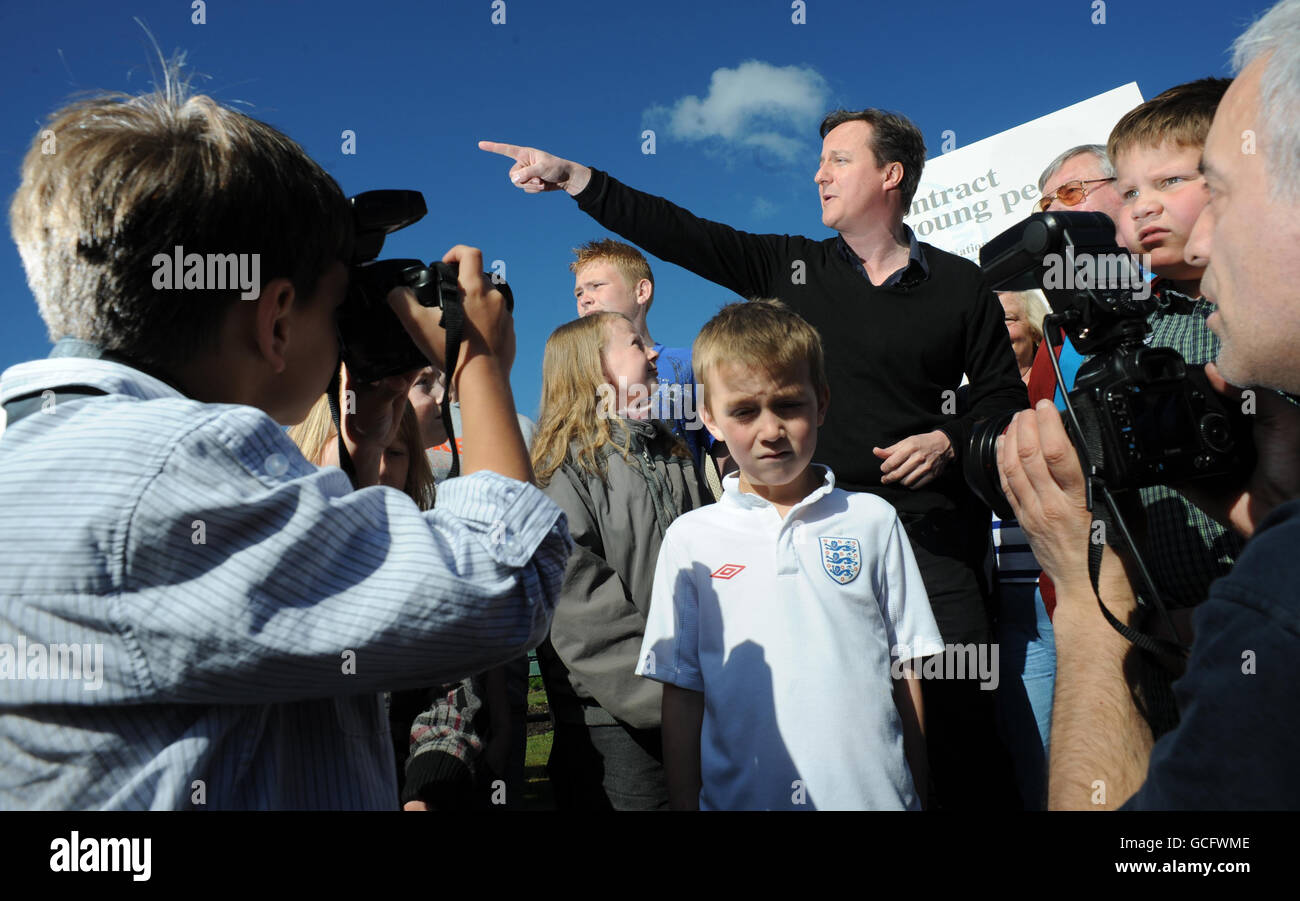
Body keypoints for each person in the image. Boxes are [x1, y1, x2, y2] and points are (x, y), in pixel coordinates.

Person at [0, 82, 569, 809]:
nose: (343, 332)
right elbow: (507, 586)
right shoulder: (175, 465)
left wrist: (362, 456)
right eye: (337, 308)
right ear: (275, 322)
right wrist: (478, 360)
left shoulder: (51, 442)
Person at [481, 107, 1028, 808]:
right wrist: (578, 181)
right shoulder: (791, 266)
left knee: (957, 740)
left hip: (932, 547)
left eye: (837, 159)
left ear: (891, 175)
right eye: (819, 159)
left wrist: (950, 440)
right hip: (803, 543)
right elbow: (684, 233)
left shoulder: (962, 286)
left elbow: (1002, 403)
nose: (818, 172)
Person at [997, 0, 1300, 809]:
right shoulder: (1117, 333)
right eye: (1130, 190)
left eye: (1176, 181)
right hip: (1152, 648)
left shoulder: (1258, 342)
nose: (1146, 206)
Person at [636, 300, 942, 810]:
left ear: (820, 402)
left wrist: (920, 788)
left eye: (789, 405)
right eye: (744, 411)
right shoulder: (690, 540)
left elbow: (905, 669)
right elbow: (683, 690)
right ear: (709, 417)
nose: (771, 430)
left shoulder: (873, 519)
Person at [531, 312, 709, 809]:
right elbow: (581, 605)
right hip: (614, 723)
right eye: (635, 344)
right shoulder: (557, 469)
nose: (653, 352)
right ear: (592, 369)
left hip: (697, 703)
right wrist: (666, 699)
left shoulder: (674, 453)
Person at [989, 289, 1056, 809]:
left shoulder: (1059, 384)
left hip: (1055, 589)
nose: (996, 326)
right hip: (1004, 600)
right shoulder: (964, 397)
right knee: (1029, 743)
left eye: (1008, 318)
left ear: (1033, 327)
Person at [571, 239, 715, 482]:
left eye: (596, 285)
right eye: (579, 292)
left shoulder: (690, 363)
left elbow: (722, 444)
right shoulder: (573, 374)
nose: (585, 298)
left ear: (641, 291)